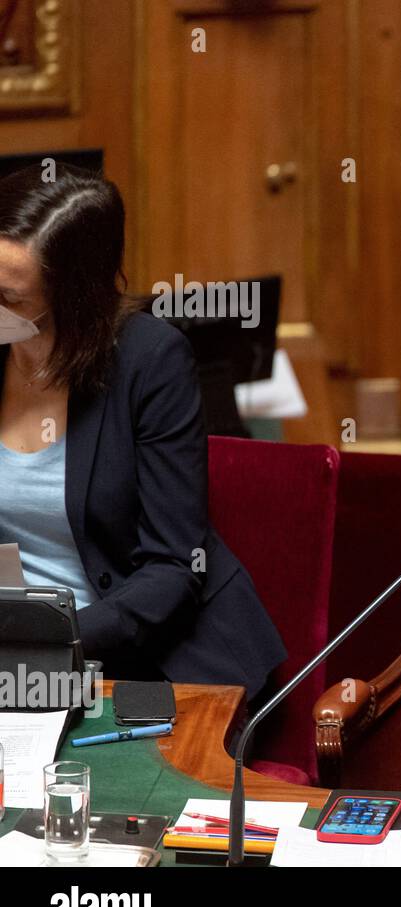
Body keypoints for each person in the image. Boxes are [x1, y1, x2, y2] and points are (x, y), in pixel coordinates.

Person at [0, 163, 285, 696]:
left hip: (150, 658)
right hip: (18, 665)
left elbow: (173, 568)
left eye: (10, 299)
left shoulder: (149, 359)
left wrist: (45, 643)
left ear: (74, 299)